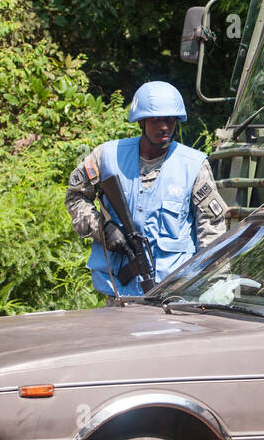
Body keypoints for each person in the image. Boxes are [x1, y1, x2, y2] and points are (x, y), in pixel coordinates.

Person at [65, 81, 227, 301]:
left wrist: (213, 285)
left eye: (170, 120)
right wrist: (103, 229)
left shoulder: (193, 165)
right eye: (156, 119)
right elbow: (76, 197)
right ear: (141, 121)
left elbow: (212, 230)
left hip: (174, 293)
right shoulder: (107, 157)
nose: (164, 127)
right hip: (118, 293)